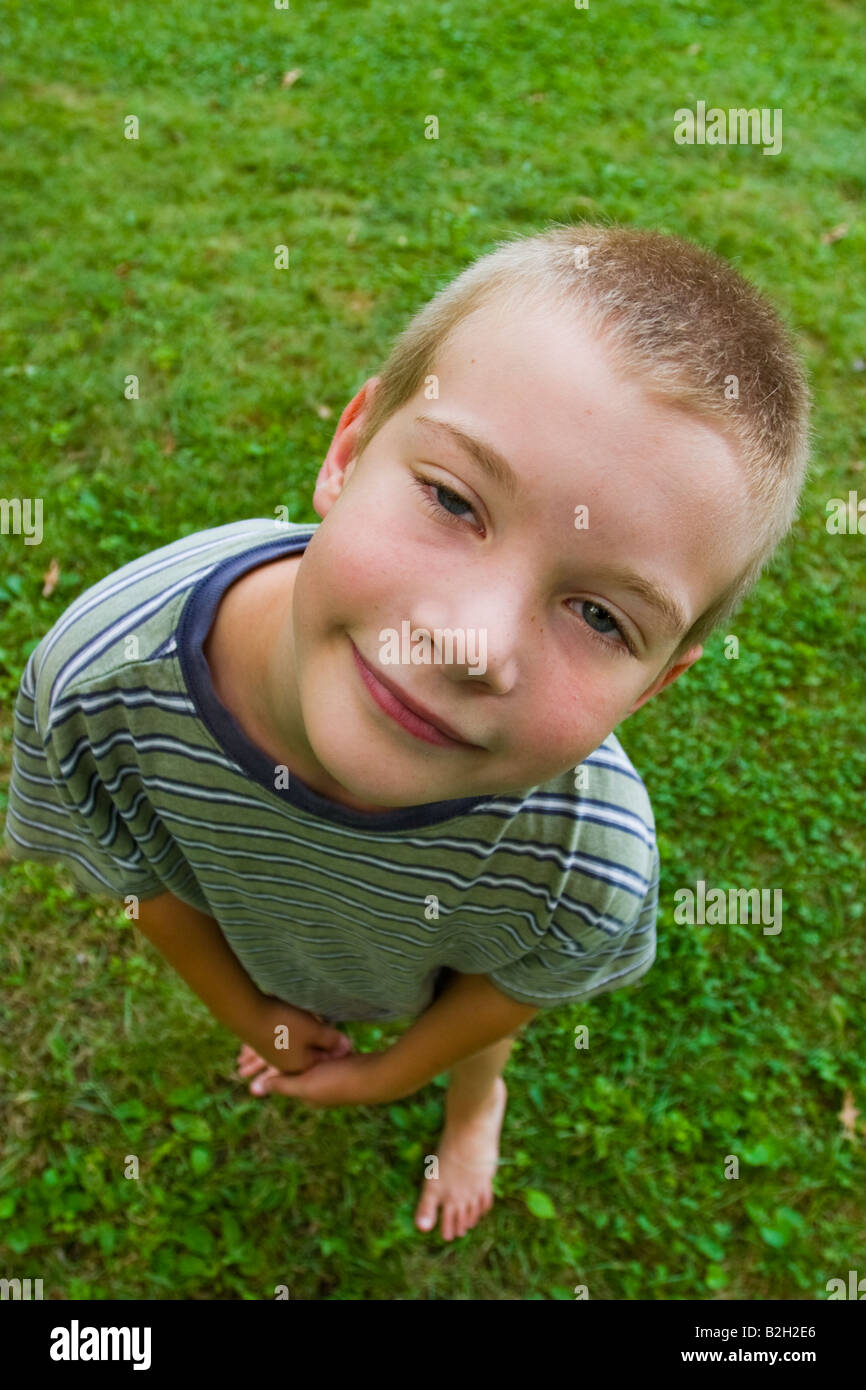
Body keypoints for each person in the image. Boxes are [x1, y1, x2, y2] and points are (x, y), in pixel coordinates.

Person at [3, 222, 811, 1243]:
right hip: (261, 934)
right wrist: (252, 1015)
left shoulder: (579, 858)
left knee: (467, 1018)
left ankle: (477, 1105)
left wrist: (395, 1071)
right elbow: (145, 881)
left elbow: (504, 990)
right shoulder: (97, 685)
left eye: (600, 617)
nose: (473, 643)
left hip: (435, 962)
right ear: (348, 450)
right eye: (451, 499)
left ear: (649, 688)